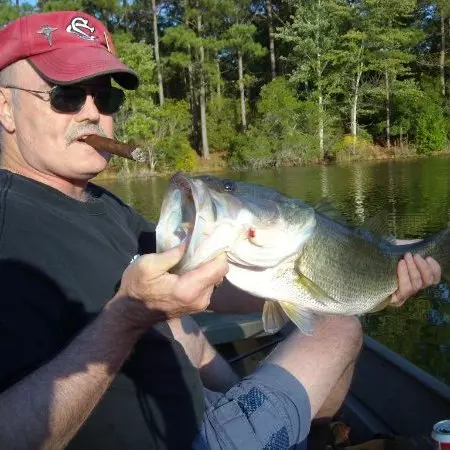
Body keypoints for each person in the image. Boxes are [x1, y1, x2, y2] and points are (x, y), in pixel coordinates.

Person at [0, 10, 441, 450]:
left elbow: (200, 288)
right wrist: (127, 318)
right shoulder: (11, 235)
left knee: (307, 319)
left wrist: (379, 262)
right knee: (340, 330)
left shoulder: (99, 204)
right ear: (6, 108)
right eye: (66, 96)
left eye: (105, 97)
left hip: (191, 407)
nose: (94, 113)